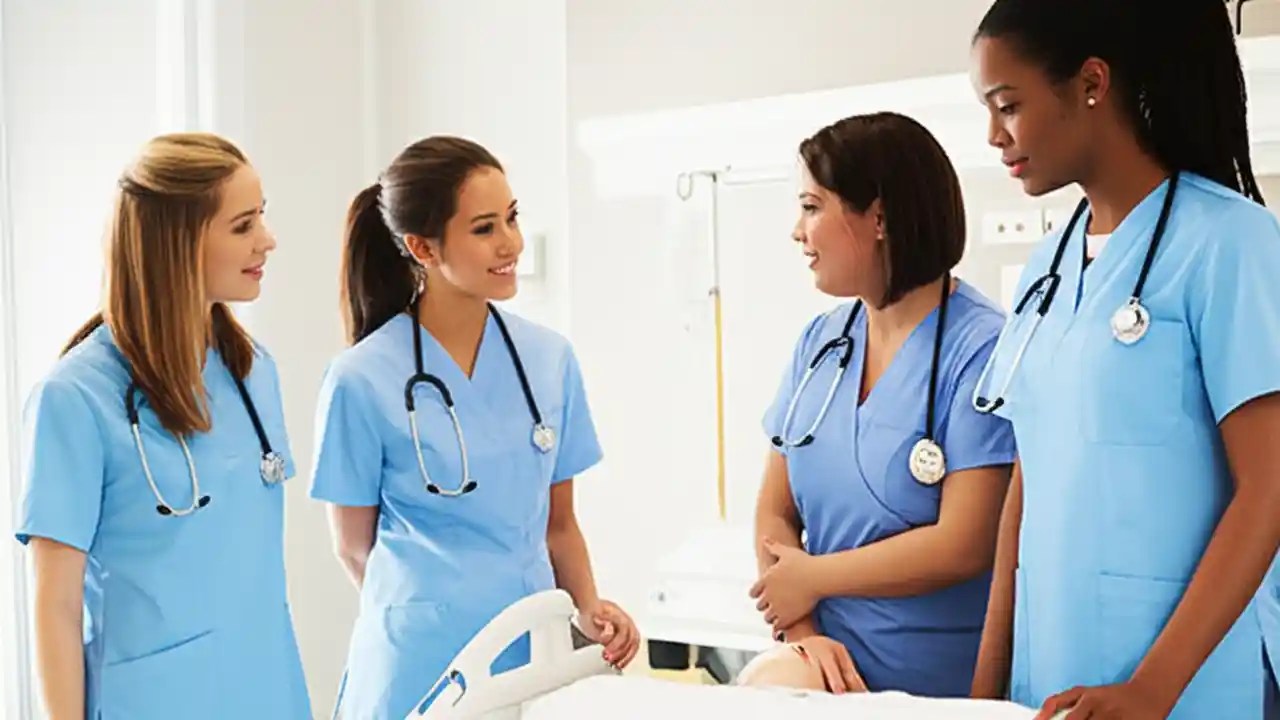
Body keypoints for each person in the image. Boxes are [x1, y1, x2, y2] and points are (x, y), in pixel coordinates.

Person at [968, 1, 1280, 717]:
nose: (993, 135)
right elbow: (1029, 481)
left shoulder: (1231, 242)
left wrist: (1152, 689)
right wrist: (984, 691)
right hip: (1045, 680)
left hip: (1181, 689)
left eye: (1007, 104)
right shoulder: (1048, 267)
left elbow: (1268, 488)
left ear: (1091, 84)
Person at [311, 135, 641, 718]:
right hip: (418, 662)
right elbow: (351, 545)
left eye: (512, 219)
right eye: (484, 228)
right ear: (422, 247)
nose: (510, 242)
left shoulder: (549, 359)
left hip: (532, 652)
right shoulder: (361, 378)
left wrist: (589, 608)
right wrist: (426, 611)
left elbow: (559, 524)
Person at [13, 133, 310, 719]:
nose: (267, 241)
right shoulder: (75, 398)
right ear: (179, 242)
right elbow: (56, 605)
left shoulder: (253, 372)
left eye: (262, 218)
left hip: (266, 689)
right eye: (243, 224)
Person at [745, 112, 1017, 698]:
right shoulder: (820, 344)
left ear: (880, 217)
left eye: (812, 207)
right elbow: (775, 512)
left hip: (938, 683)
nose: (798, 230)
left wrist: (813, 577)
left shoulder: (984, 348)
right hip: (824, 667)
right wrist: (802, 631)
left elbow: (965, 543)